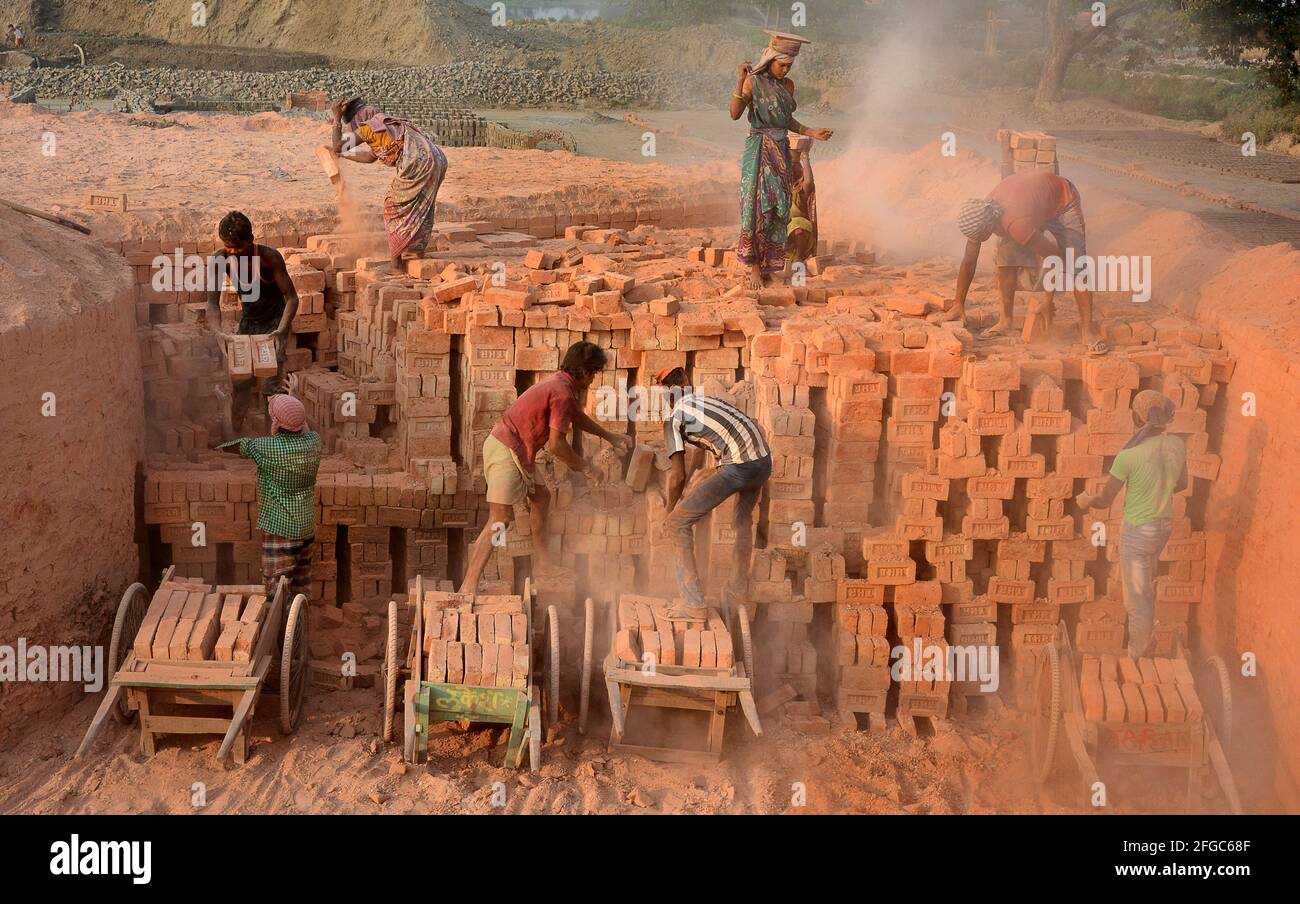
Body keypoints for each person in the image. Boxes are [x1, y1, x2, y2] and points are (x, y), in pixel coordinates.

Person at [460, 341, 634, 595]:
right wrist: (587, 468)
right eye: (594, 373)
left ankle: (543, 565)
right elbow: (557, 446)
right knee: (501, 519)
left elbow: (576, 417)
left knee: (542, 498)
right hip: (505, 449)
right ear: (585, 372)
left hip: (520, 451)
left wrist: (610, 437)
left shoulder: (561, 385)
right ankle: (469, 584)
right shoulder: (563, 393)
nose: (594, 379)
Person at [1075, 390, 1187, 659]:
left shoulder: (1129, 456)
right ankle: (1145, 636)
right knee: (1144, 583)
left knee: (1136, 600)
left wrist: (1086, 501)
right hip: (1163, 527)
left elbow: (1105, 499)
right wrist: (1158, 485)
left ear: (1137, 420)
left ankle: (1139, 654)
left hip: (1139, 533)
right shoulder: (1178, 444)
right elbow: (1181, 484)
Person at [945, 169, 1106, 353]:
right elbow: (969, 260)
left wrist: (1048, 299)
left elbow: (1053, 257)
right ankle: (1005, 322)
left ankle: (1087, 330)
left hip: (1062, 201)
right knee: (1006, 258)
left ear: (991, 226)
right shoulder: (981, 212)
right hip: (1030, 204)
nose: (981, 240)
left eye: (983, 236)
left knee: (1075, 264)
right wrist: (958, 303)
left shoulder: (1016, 224)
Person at [659, 366, 772, 614]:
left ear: (666, 393)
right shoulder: (708, 401)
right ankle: (738, 589)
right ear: (687, 384)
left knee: (677, 524)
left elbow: (677, 476)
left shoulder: (674, 418)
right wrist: (708, 474)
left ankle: (693, 603)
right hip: (763, 462)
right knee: (742, 522)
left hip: (739, 467)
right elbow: (721, 441)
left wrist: (669, 513)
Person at [729, 31, 833, 289]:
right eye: (782, 64)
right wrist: (740, 78)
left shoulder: (788, 87)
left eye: (789, 66)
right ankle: (754, 268)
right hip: (758, 151)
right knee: (756, 209)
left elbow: (786, 121)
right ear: (770, 59)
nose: (785, 70)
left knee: (779, 209)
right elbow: (734, 114)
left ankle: (769, 267)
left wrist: (811, 132)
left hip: (781, 152)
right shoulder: (753, 83)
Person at [217, 391, 323, 602]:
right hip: (306, 529)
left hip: (280, 533)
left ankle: (280, 633)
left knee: (276, 595)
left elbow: (229, 441)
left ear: (275, 421)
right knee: (300, 589)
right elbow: (303, 426)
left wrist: (225, 408)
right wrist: (293, 400)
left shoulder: (265, 447)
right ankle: (298, 630)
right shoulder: (314, 442)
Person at [205, 211, 299, 432]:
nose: (234, 252)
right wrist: (218, 332)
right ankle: (235, 440)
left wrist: (282, 329)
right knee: (240, 382)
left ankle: (274, 441)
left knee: (271, 388)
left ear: (252, 239)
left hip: (274, 323)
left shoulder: (269, 258)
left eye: (239, 247)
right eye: (229, 246)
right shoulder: (221, 260)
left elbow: (292, 298)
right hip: (248, 322)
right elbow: (211, 303)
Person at [330, 97, 448, 272]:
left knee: (392, 206)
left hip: (417, 162)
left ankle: (396, 262)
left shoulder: (369, 127)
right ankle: (416, 253)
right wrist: (343, 156)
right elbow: (370, 157)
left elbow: (338, 145)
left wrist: (336, 117)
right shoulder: (388, 124)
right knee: (423, 203)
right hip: (437, 159)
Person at [786, 135, 818, 264]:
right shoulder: (780, 187)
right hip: (782, 230)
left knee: (798, 224)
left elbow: (809, 180)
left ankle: (799, 257)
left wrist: (805, 157)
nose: (794, 170)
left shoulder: (801, 190)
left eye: (798, 168)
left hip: (799, 231)